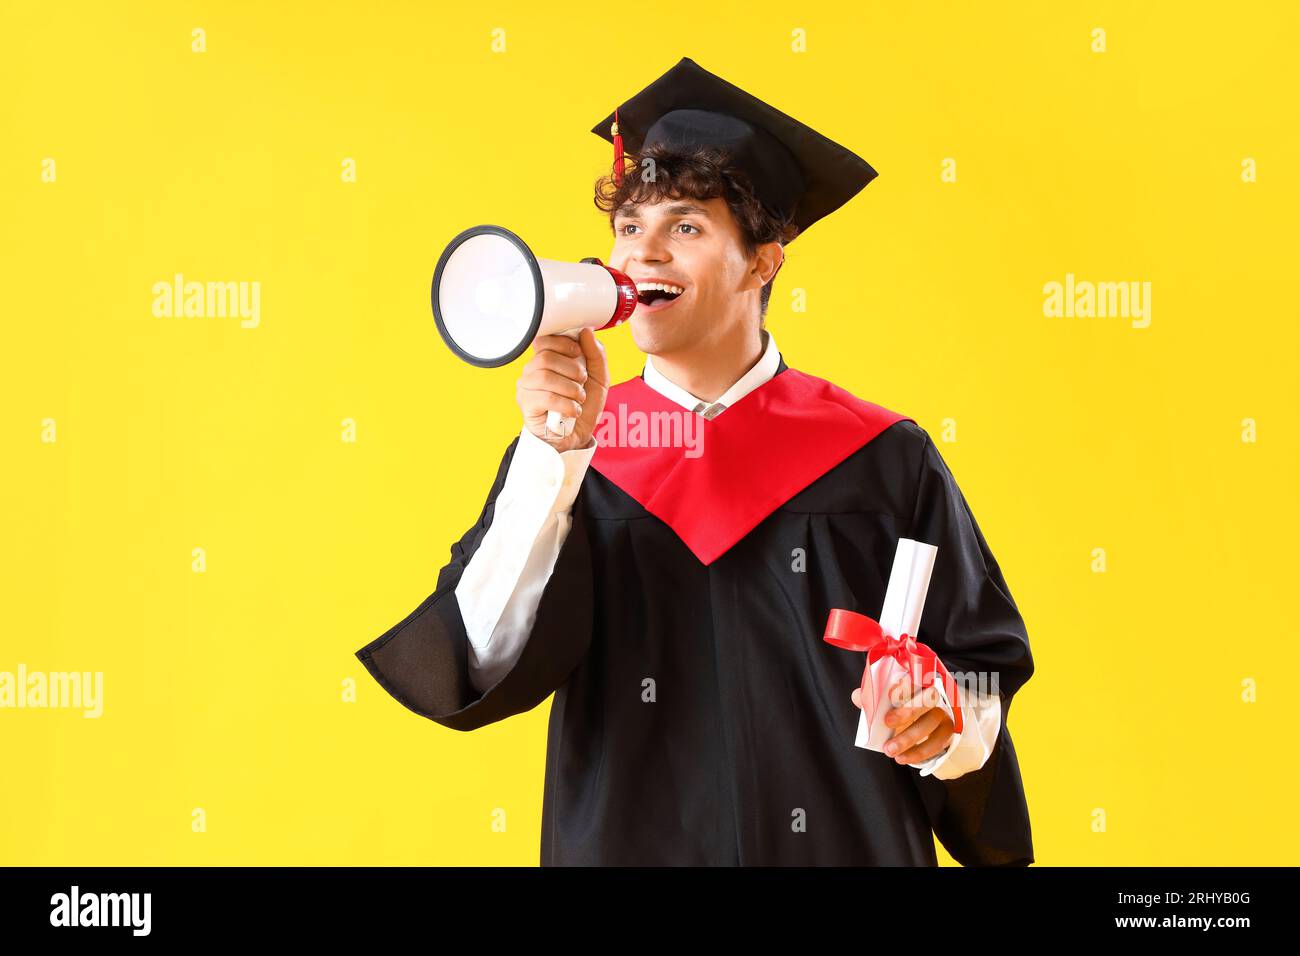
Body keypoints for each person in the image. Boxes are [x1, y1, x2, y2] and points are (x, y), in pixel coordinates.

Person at [356, 57, 1034, 866]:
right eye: (630, 228)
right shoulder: (572, 460)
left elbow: (984, 672)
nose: (643, 256)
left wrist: (945, 723)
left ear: (763, 261)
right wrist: (553, 453)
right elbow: (477, 657)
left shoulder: (883, 457)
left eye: (685, 227)